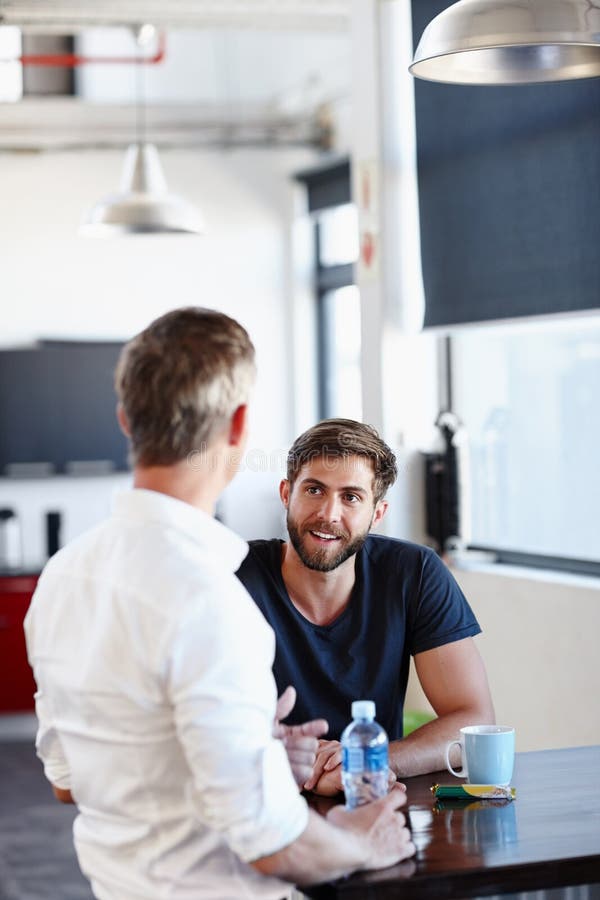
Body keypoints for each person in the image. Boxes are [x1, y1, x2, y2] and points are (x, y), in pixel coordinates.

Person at [24, 312, 415, 900]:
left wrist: (246, 753)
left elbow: (72, 780)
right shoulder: (210, 599)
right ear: (239, 425)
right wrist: (361, 841)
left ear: (126, 420)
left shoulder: (62, 575)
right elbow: (277, 847)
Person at [236, 418, 495, 797]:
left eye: (351, 497)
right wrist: (290, 762)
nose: (329, 513)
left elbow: (473, 719)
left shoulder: (415, 573)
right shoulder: (233, 577)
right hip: (256, 801)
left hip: (374, 800)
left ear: (377, 513)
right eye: (314, 490)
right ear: (285, 493)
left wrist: (367, 762)